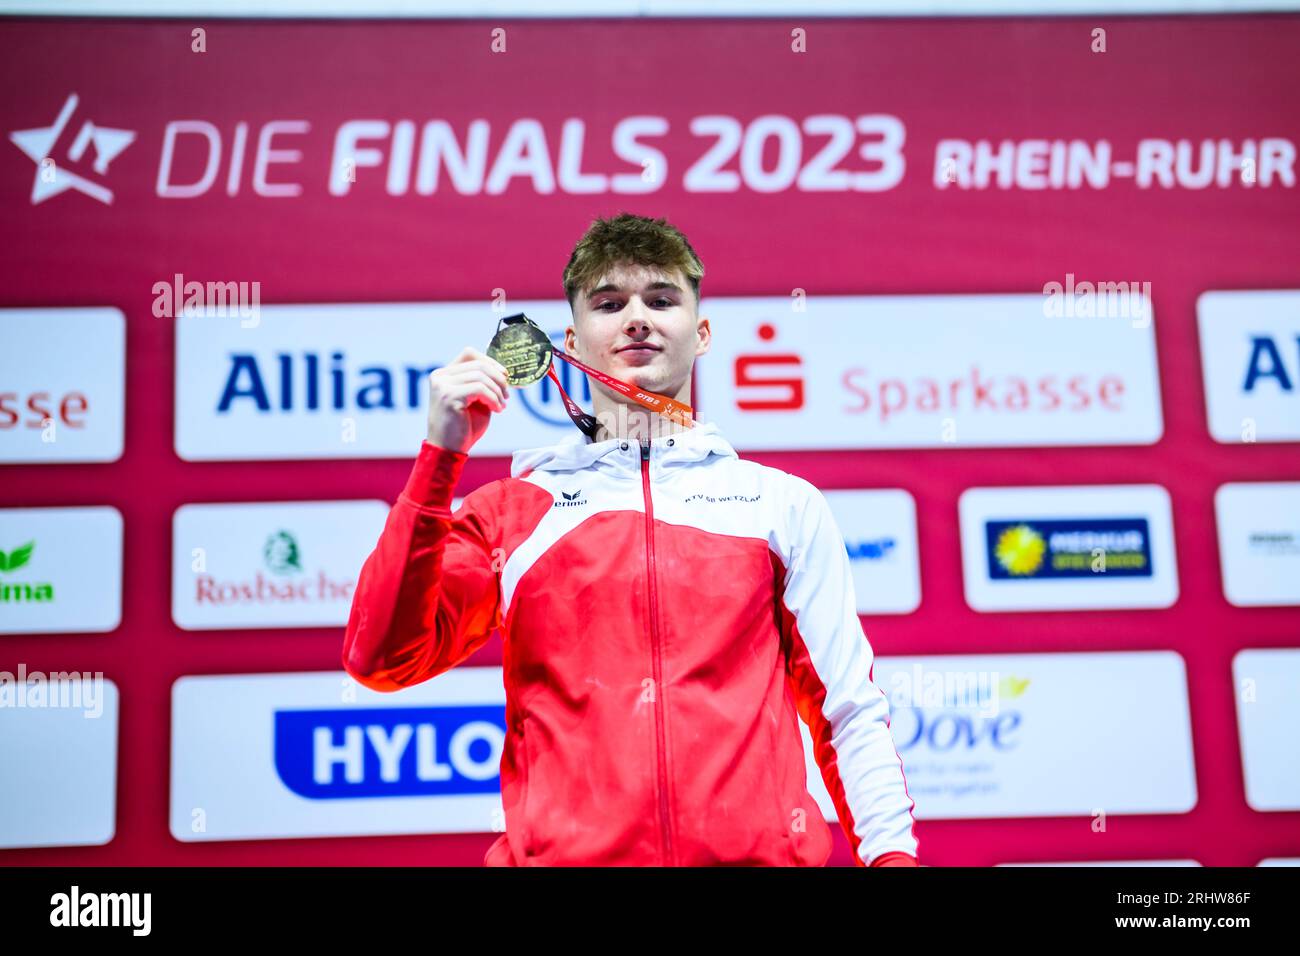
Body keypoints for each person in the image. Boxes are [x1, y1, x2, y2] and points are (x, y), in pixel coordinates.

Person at [341, 212, 919, 867]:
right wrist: (440, 456)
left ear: (701, 334)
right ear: (572, 339)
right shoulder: (510, 514)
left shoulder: (778, 504)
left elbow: (846, 707)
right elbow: (381, 656)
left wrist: (892, 856)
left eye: (661, 299)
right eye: (609, 303)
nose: (636, 318)